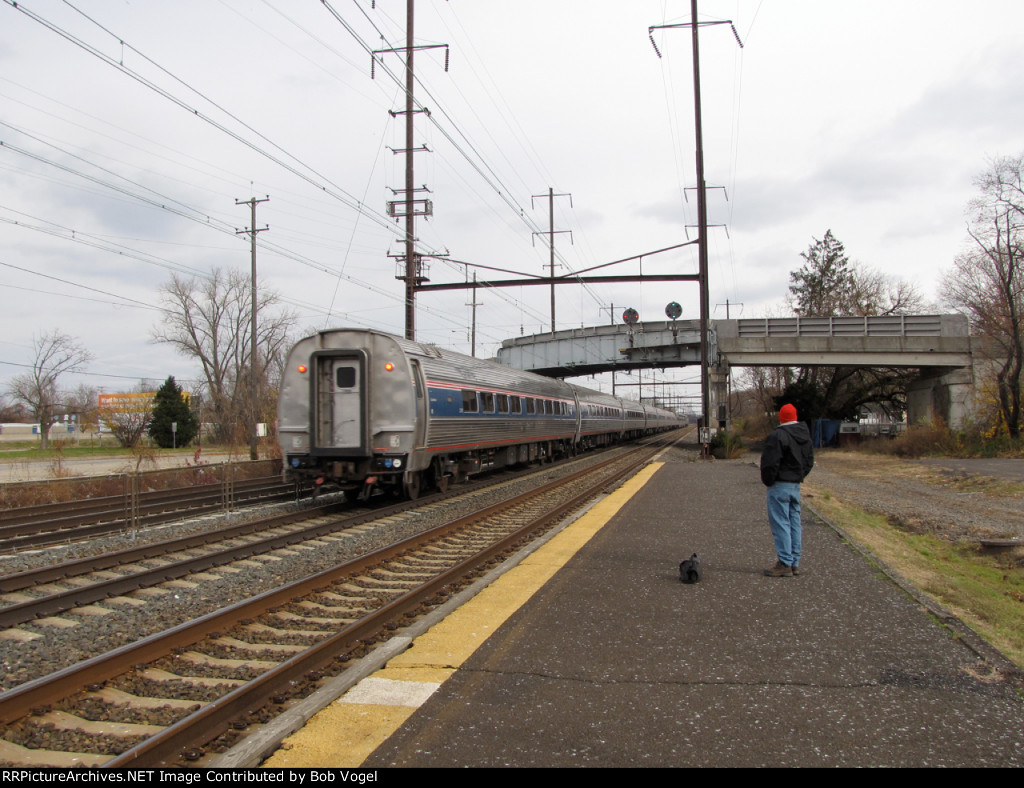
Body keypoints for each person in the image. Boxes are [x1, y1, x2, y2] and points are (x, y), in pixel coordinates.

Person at [759, 403, 814, 578]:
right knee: (794, 522)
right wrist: (799, 475)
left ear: (781, 418)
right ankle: (794, 562)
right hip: (795, 485)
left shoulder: (778, 436)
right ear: (795, 417)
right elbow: (809, 461)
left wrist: (769, 480)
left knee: (781, 523)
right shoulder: (804, 435)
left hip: (779, 485)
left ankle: (784, 562)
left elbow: (770, 462)